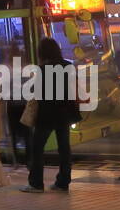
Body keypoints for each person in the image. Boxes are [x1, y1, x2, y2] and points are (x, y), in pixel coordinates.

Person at [21, 37, 79, 193]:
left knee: (37, 148)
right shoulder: (68, 66)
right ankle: (63, 182)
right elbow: (74, 89)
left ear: (42, 52)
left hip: (46, 114)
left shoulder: (41, 70)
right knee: (64, 148)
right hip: (65, 112)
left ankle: (36, 183)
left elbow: (38, 94)